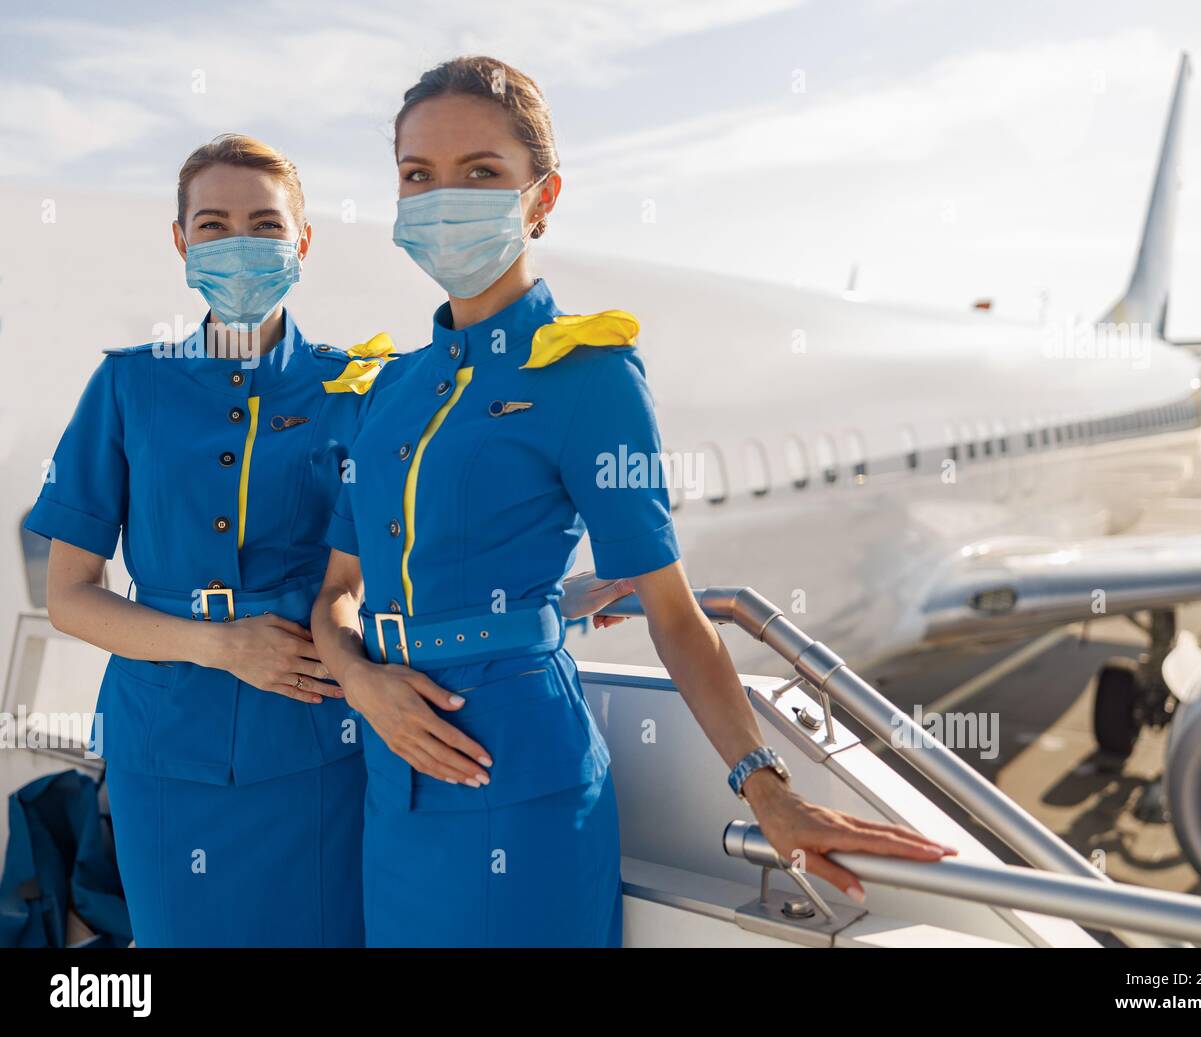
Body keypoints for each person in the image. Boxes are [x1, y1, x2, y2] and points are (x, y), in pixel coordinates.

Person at [311, 55, 956, 948]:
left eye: (481, 173)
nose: (442, 198)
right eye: (418, 175)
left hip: (517, 777)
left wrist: (766, 785)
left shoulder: (589, 377)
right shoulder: (387, 390)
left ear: (542, 197)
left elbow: (675, 615)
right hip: (391, 779)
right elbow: (336, 594)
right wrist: (361, 680)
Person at [25, 134, 375, 947]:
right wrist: (219, 646)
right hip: (163, 750)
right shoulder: (127, 384)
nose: (238, 243)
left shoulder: (354, 387)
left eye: (264, 223)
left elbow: (392, 563)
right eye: (213, 224)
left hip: (319, 739)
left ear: (303, 241)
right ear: (181, 241)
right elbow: (70, 596)